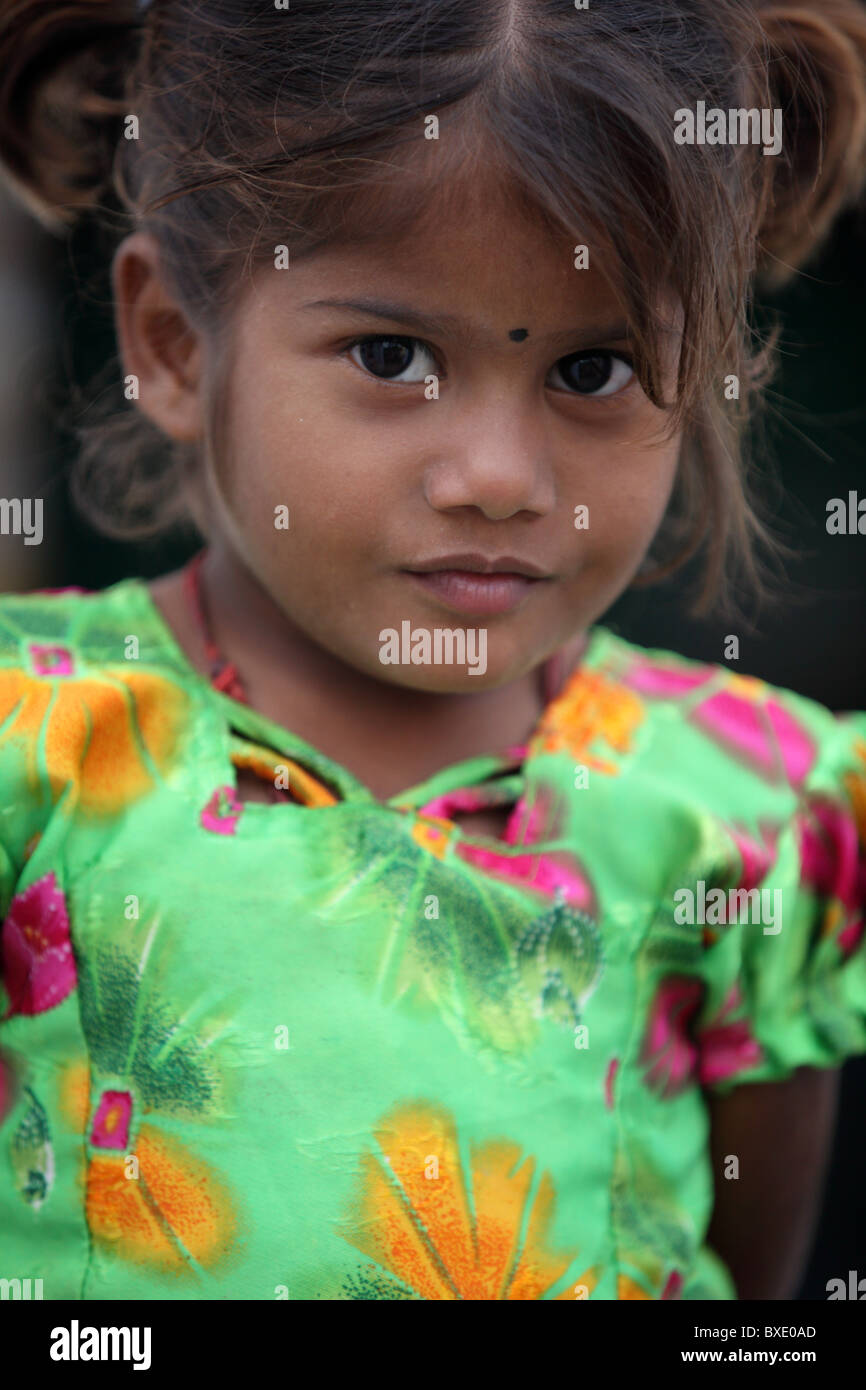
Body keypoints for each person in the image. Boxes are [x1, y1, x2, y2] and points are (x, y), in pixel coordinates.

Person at [0, 0, 864, 1302]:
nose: (496, 478)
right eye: (392, 355)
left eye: (593, 370)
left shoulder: (759, 806)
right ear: (172, 345)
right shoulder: (31, 744)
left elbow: (749, 1291)